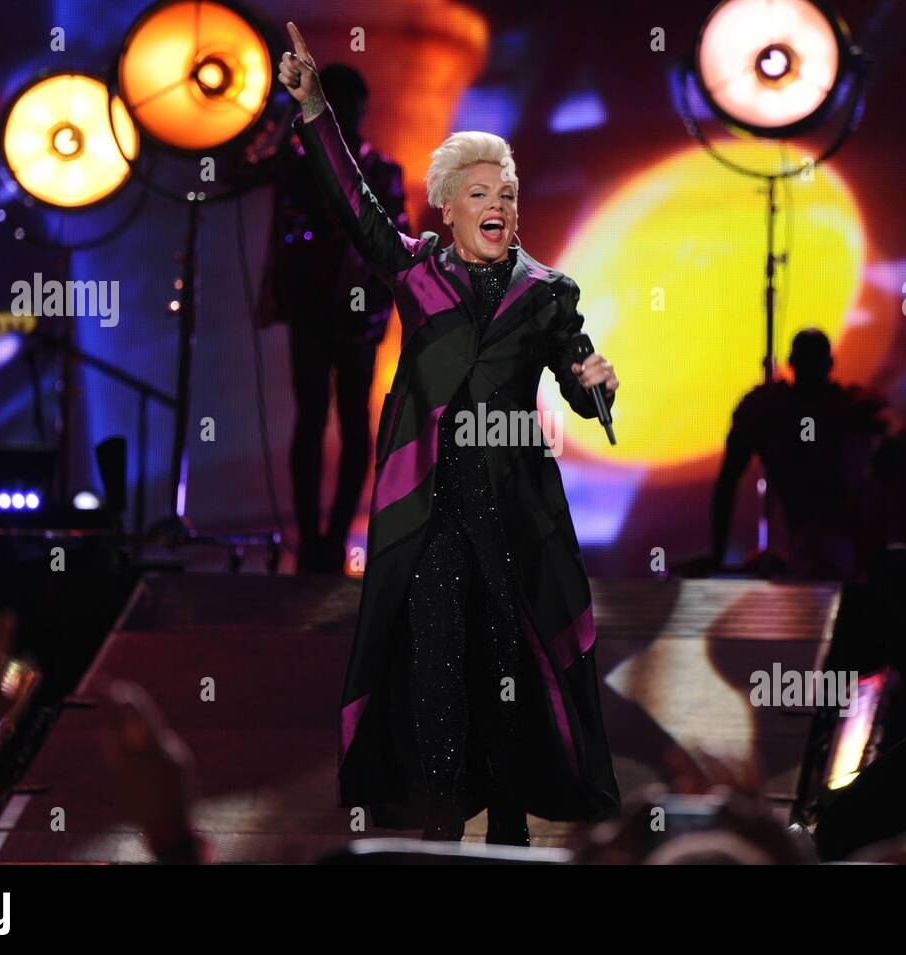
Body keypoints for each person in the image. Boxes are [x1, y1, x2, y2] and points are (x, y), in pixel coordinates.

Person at [278, 22, 622, 844]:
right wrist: (317, 110)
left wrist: (595, 387)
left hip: (513, 511)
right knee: (434, 661)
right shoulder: (414, 273)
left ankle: (510, 824)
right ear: (447, 207)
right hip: (427, 511)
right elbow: (353, 203)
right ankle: (437, 821)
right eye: (479, 194)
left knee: (509, 665)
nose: (497, 205)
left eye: (505, 193)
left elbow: (579, 377)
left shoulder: (547, 292)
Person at [256, 65, 410, 574]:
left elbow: (396, 248)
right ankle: (310, 536)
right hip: (311, 308)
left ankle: (338, 532)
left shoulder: (381, 171)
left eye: (351, 105)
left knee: (352, 420)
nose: (346, 115)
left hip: (359, 312)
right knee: (311, 418)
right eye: (335, 104)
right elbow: (275, 220)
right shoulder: (298, 166)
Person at [710, 329, 906, 581]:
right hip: (807, 537)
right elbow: (727, 479)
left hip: (846, 531)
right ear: (830, 364)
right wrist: (717, 555)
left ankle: (902, 559)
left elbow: (728, 480)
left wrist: (890, 443)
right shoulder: (769, 408)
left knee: (900, 456)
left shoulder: (846, 403)